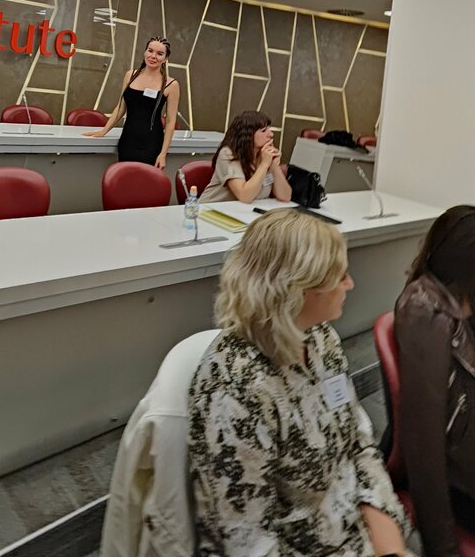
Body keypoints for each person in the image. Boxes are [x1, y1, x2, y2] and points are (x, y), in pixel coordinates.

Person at [189, 209, 410, 557]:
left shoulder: (321, 340)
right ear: (299, 291)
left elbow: (357, 443)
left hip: (353, 527)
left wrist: (388, 540)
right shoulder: (234, 389)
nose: (350, 284)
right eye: (340, 276)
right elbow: (248, 541)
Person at [395, 205, 475, 556]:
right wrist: (443, 548)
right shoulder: (426, 311)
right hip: (461, 482)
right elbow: (422, 443)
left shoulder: (463, 299)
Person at [84, 36, 179, 169]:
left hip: (151, 144)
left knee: (145, 180)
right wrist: (104, 130)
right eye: (150, 51)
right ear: (145, 52)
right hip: (127, 140)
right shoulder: (131, 75)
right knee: (124, 178)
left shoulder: (171, 84)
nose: (153, 56)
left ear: (165, 59)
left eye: (159, 53)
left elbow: (170, 122)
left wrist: (163, 154)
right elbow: (121, 107)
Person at [200, 109, 292, 205]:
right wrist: (264, 165)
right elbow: (245, 196)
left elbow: (285, 197)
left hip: (246, 212)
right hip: (211, 210)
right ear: (248, 135)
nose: (271, 134)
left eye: (269, 129)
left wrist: (274, 166)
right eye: (264, 131)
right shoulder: (228, 154)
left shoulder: (265, 156)